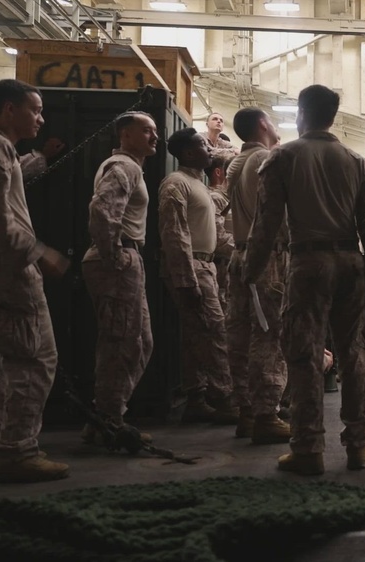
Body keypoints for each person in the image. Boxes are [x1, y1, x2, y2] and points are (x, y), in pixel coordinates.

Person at [243, 84, 365, 475]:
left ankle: (308, 448)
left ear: (302, 113)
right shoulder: (357, 162)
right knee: (355, 354)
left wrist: (250, 272)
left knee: (304, 355)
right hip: (351, 263)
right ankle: (359, 445)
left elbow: (266, 224)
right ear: (332, 115)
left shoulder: (282, 157)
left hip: (308, 264)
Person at [0, 79, 70, 483]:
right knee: (34, 358)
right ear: (9, 109)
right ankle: (18, 451)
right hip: (7, 267)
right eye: (35, 109)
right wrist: (39, 253)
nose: (41, 118)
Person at [81, 112, 158, 445]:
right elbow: (102, 209)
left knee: (139, 342)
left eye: (155, 131)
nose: (154, 137)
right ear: (125, 135)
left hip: (126, 257)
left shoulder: (133, 168)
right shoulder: (124, 167)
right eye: (146, 130)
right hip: (118, 257)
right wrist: (114, 256)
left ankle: (107, 417)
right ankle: (107, 422)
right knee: (120, 343)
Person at [158, 128, 237, 424]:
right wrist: (186, 278)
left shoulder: (198, 184)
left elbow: (213, 234)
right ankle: (225, 399)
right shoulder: (176, 183)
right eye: (204, 145)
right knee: (214, 331)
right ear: (190, 153)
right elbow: (174, 233)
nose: (210, 150)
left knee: (195, 336)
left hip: (206, 265)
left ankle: (196, 398)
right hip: (192, 266)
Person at [223, 107, 291, 444]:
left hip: (239, 253)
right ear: (264, 124)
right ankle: (267, 414)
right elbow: (279, 213)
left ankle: (247, 411)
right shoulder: (268, 158)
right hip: (267, 257)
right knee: (269, 334)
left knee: (240, 334)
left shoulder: (236, 162)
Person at [205, 154, 234, 314]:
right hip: (221, 266)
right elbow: (218, 237)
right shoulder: (215, 198)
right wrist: (243, 247)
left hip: (231, 264)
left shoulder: (231, 197)